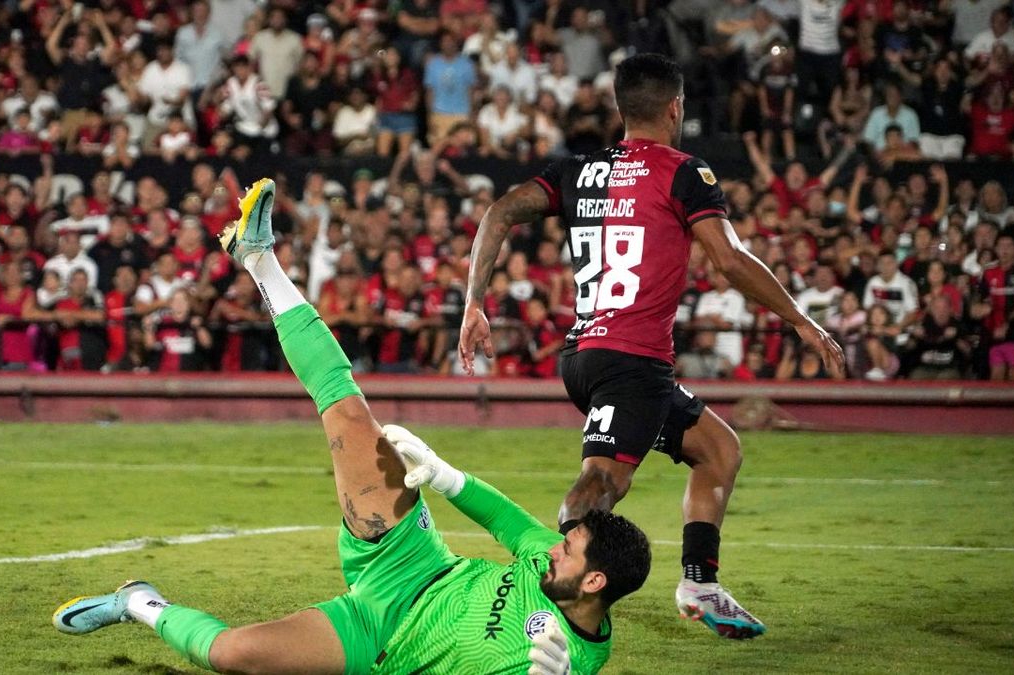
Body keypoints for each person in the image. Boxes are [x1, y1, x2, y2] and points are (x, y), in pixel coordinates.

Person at [52, 178, 652, 674]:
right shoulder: (545, 558)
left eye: (566, 552)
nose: (552, 549)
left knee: (232, 654)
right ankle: (258, 257)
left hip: (374, 640)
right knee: (347, 408)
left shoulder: (565, 660)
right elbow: (501, 518)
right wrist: (441, 475)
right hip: (412, 559)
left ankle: (137, 601)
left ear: (595, 581)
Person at [460, 53, 844, 639]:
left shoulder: (579, 168)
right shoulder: (684, 172)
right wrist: (800, 320)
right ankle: (542, 604)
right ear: (675, 107)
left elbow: (498, 212)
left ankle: (700, 583)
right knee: (600, 486)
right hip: (630, 360)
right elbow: (729, 260)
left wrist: (473, 302)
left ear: (620, 108)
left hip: (592, 357)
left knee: (718, 448)